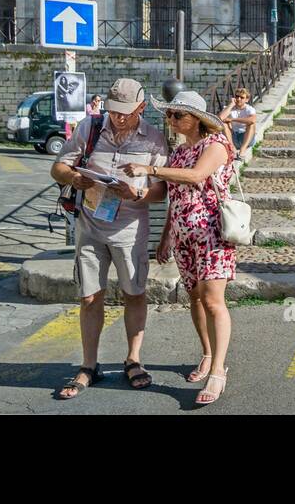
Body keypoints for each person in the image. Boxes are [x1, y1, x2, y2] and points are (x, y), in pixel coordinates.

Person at [50, 79, 168, 400]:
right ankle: (89, 366)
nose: (118, 118)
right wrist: (77, 177)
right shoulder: (90, 127)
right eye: (113, 112)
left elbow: (162, 189)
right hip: (90, 226)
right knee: (89, 297)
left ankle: (133, 360)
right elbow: (57, 167)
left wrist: (137, 192)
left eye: (126, 113)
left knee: (134, 293)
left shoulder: (155, 139)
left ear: (141, 109)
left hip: (130, 229)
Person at [125, 91, 237, 406]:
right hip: (184, 236)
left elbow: (197, 176)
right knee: (195, 298)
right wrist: (165, 238)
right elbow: (175, 197)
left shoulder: (215, 146)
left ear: (197, 120)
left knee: (214, 301)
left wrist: (149, 170)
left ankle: (218, 370)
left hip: (212, 233)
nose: (171, 121)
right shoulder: (180, 152)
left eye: (177, 115)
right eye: (170, 115)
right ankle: (206, 353)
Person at [220, 87, 258, 159]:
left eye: (242, 97)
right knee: (224, 124)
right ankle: (233, 149)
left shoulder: (249, 109)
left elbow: (252, 120)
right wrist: (231, 104)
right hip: (232, 138)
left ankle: (242, 150)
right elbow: (220, 118)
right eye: (237, 96)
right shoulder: (229, 107)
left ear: (247, 99)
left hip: (245, 138)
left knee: (251, 124)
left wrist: (232, 119)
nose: (238, 99)